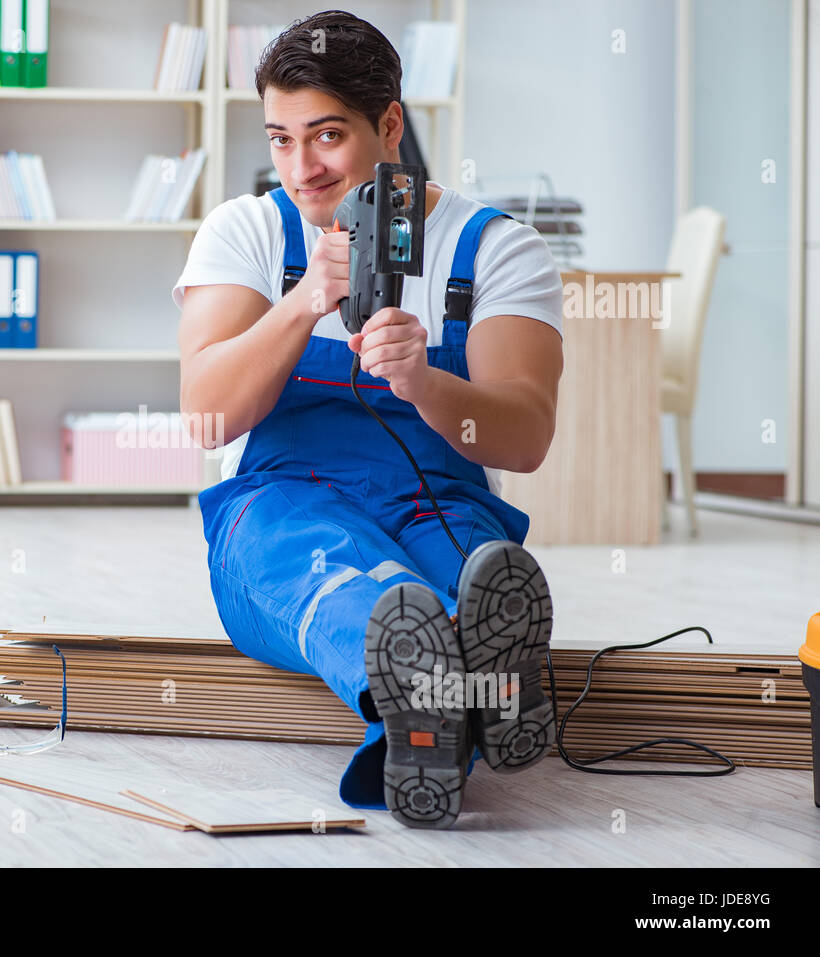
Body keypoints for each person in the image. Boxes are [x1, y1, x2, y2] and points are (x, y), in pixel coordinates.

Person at [173, 10, 565, 829]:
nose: (301, 168)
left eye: (325, 136)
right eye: (281, 139)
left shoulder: (495, 250)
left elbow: (525, 436)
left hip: (436, 500)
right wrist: (305, 301)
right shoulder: (247, 232)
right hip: (283, 504)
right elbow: (208, 415)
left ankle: (437, 695)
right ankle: (471, 687)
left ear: (390, 125)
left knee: (464, 571)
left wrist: (422, 382)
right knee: (350, 582)